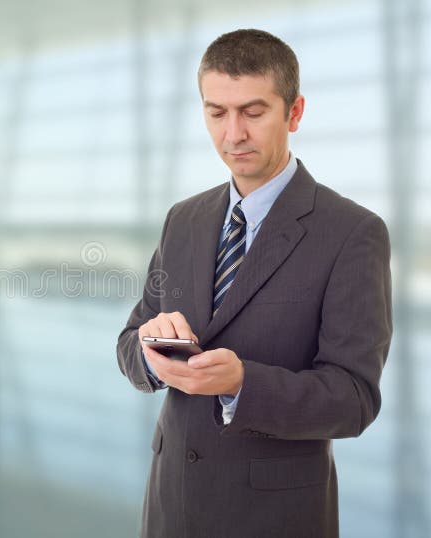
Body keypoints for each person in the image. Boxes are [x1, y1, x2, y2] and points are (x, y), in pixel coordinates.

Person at [116, 29, 392, 538]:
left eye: (253, 112)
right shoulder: (183, 219)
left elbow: (354, 398)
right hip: (171, 506)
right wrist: (151, 355)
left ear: (294, 112)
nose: (233, 134)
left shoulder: (352, 232)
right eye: (217, 112)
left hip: (274, 518)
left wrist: (242, 384)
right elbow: (129, 342)